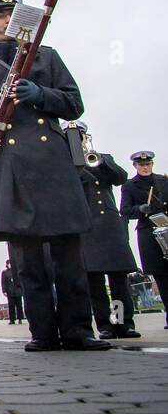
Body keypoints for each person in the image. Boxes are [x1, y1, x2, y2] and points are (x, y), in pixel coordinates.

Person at [0, 0, 108, 352]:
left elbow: (73, 103)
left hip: (54, 166)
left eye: (12, 14)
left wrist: (41, 95)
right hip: (9, 166)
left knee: (69, 254)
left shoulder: (46, 56)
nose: (6, 20)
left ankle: (78, 330)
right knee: (27, 259)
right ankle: (43, 332)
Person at [71, 124, 140, 339]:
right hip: (87, 227)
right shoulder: (67, 163)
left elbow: (120, 177)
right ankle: (105, 326)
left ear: (86, 138)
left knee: (118, 279)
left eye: (81, 137)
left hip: (109, 226)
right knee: (95, 282)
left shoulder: (103, 157)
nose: (79, 140)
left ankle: (122, 323)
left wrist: (101, 162)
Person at [121, 151, 168, 328]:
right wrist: (141, 208)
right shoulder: (130, 186)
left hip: (166, 228)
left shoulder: (164, 181)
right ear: (135, 166)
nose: (145, 167)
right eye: (141, 165)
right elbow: (125, 211)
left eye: (148, 164)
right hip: (148, 232)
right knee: (161, 276)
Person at [1, 258, 24, 324]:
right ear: (7, 265)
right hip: (10, 292)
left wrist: (22, 289)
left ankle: (20, 318)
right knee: (11, 306)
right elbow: (3, 282)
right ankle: (12, 319)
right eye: (9, 264)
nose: (10, 265)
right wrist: (4, 291)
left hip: (18, 291)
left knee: (19, 306)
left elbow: (21, 281)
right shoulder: (4, 272)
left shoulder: (17, 271)